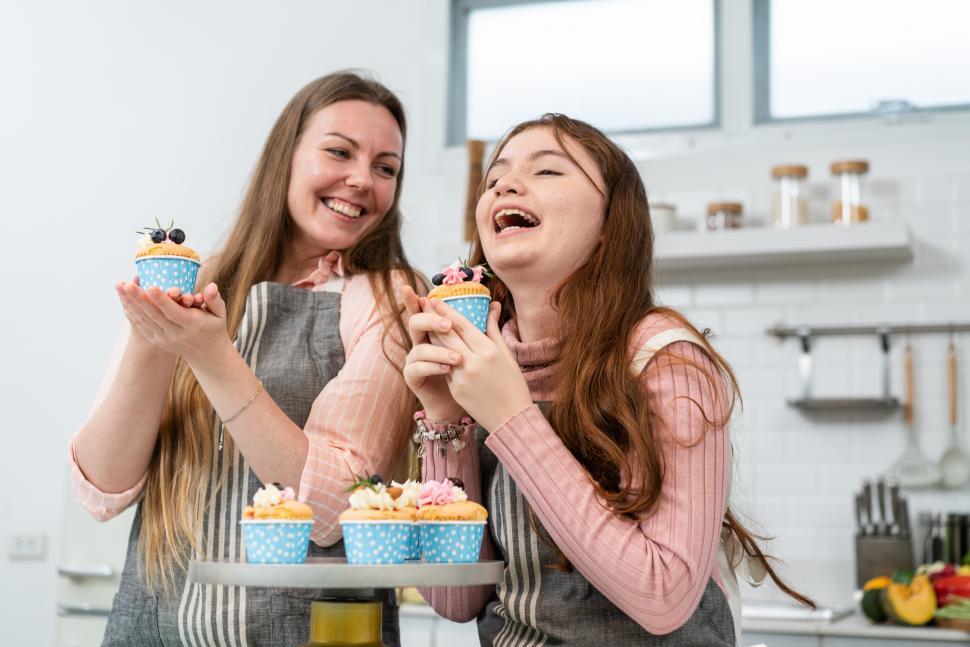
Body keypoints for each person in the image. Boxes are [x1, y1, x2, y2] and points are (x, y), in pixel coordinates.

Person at [403, 113, 812, 646]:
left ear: (607, 226)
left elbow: (663, 598)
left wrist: (509, 416)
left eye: (548, 171)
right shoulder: (484, 362)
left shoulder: (667, 360)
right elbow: (455, 598)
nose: (504, 183)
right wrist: (443, 417)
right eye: (494, 178)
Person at [70, 71, 422, 646]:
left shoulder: (389, 297)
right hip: (153, 628)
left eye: (386, 168)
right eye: (339, 152)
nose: (362, 179)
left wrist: (211, 356)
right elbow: (101, 489)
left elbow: (333, 506)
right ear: (285, 156)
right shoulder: (194, 280)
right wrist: (153, 336)